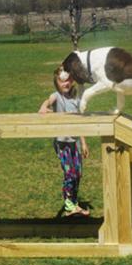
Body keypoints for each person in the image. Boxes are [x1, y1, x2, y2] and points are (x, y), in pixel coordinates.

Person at [39, 69, 90, 216]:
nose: (65, 83)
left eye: (68, 80)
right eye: (62, 81)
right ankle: (69, 205)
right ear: (57, 83)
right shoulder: (56, 96)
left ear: (72, 81)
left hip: (75, 143)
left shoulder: (75, 99)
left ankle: (74, 203)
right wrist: (44, 107)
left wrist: (84, 142)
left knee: (78, 174)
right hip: (62, 143)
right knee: (70, 173)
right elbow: (48, 101)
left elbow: (79, 122)